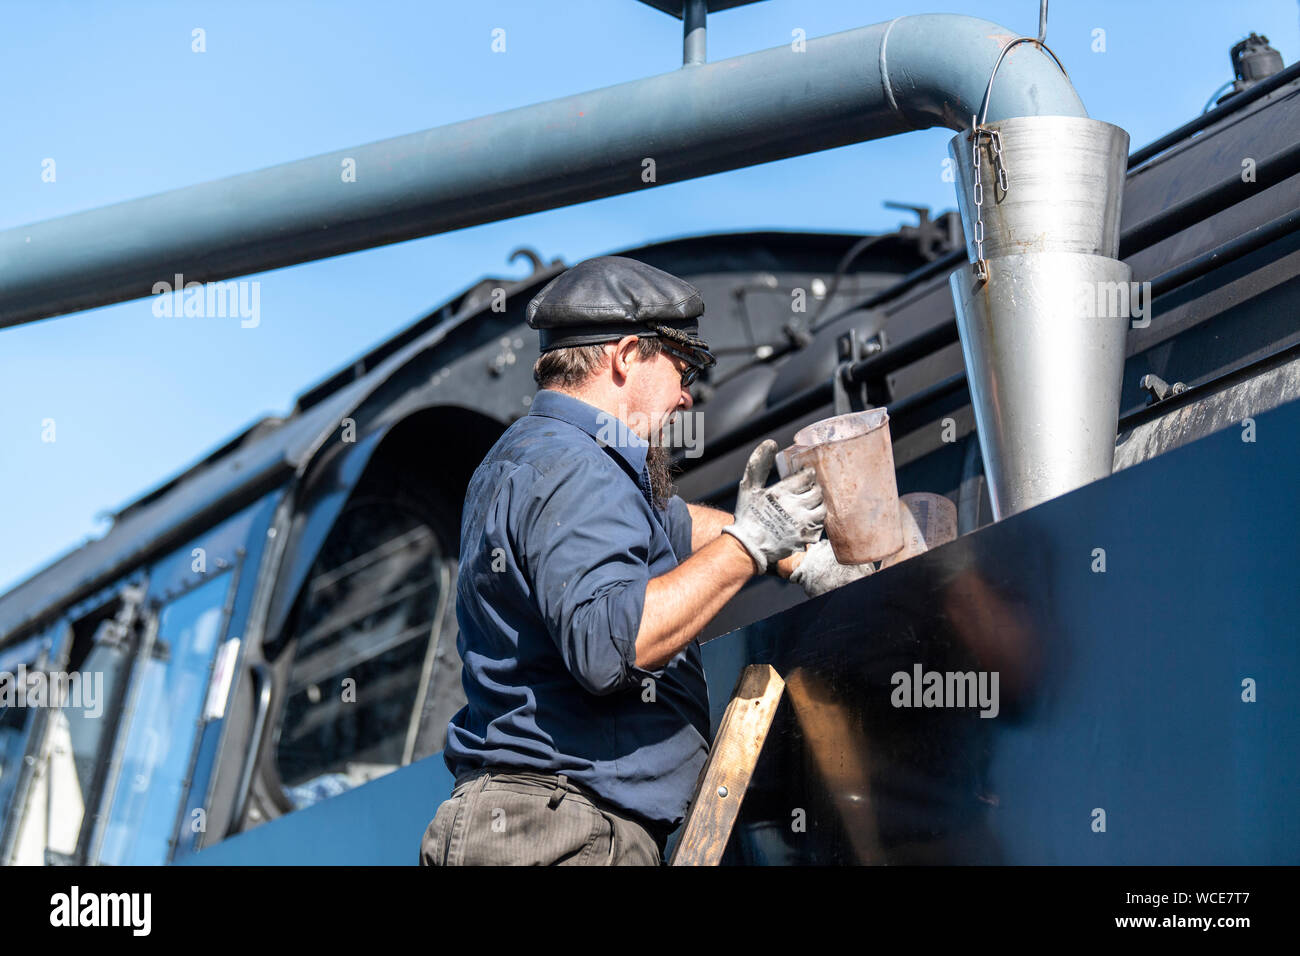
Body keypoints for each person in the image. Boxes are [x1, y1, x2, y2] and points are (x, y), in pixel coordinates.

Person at [419, 256, 853, 866]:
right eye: (681, 365)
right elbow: (610, 646)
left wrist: (794, 556)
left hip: (536, 826)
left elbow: (674, 528)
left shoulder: (537, 457)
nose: (685, 395)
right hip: (564, 835)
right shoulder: (578, 466)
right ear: (625, 355)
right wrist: (749, 546)